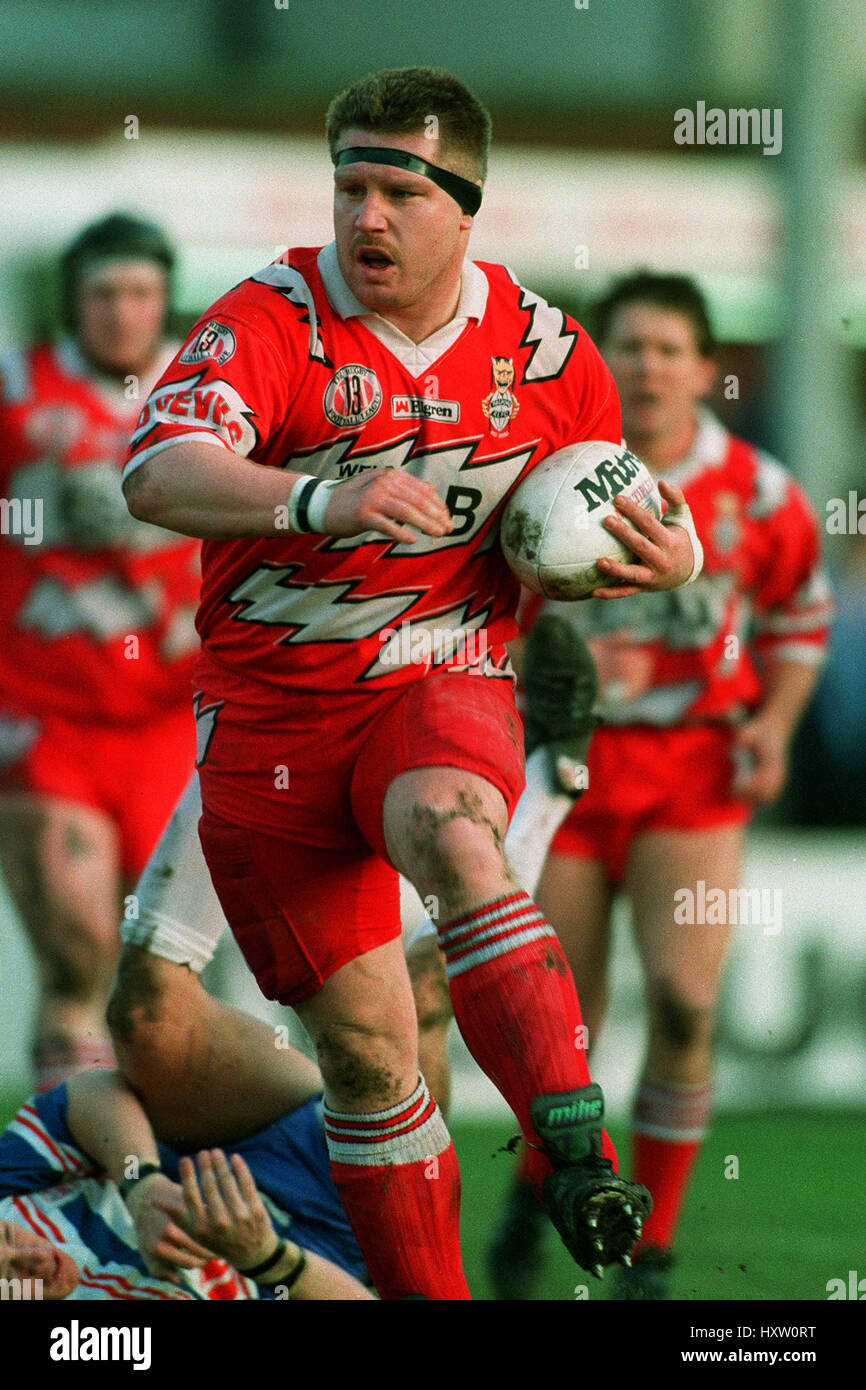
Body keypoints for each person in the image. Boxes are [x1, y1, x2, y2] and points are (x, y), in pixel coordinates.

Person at [121, 68, 702, 1300]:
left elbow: (631, 502)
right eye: (349, 186)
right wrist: (311, 497)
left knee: (454, 831)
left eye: (397, 190)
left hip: (439, 679)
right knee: (372, 1065)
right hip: (271, 719)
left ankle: (574, 1148)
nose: (365, 217)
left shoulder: (546, 351)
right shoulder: (273, 316)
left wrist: (670, 552)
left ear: (465, 204)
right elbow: (159, 472)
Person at [487, 271, 832, 1299]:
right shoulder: (540, 478)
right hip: (564, 768)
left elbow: (797, 617)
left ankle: (655, 1248)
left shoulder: (754, 492)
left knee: (685, 1004)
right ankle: (534, 1188)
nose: (645, 365)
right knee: (565, 1027)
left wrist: (769, 725)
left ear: (704, 369)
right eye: (626, 346)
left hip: (690, 771)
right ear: (601, 359)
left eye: (667, 349)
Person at [0, 214, 201, 1093]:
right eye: (103, 294)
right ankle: (68, 1187)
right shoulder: (15, 392)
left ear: (166, 298)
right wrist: (36, 516)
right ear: (72, 302)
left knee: (168, 977)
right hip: (48, 717)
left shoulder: (209, 393)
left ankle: (169, 1185)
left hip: (177, 719)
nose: (122, 312)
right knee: (79, 957)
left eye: (140, 293)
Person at [0, 1065, 372, 1300]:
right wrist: (265, 1256)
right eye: (8, 1277)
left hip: (262, 1149)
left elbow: (90, 1090)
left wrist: (141, 1185)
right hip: (327, 1257)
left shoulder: (6, 1200)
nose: (33, 1257)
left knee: (144, 1018)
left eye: (7, 1237)